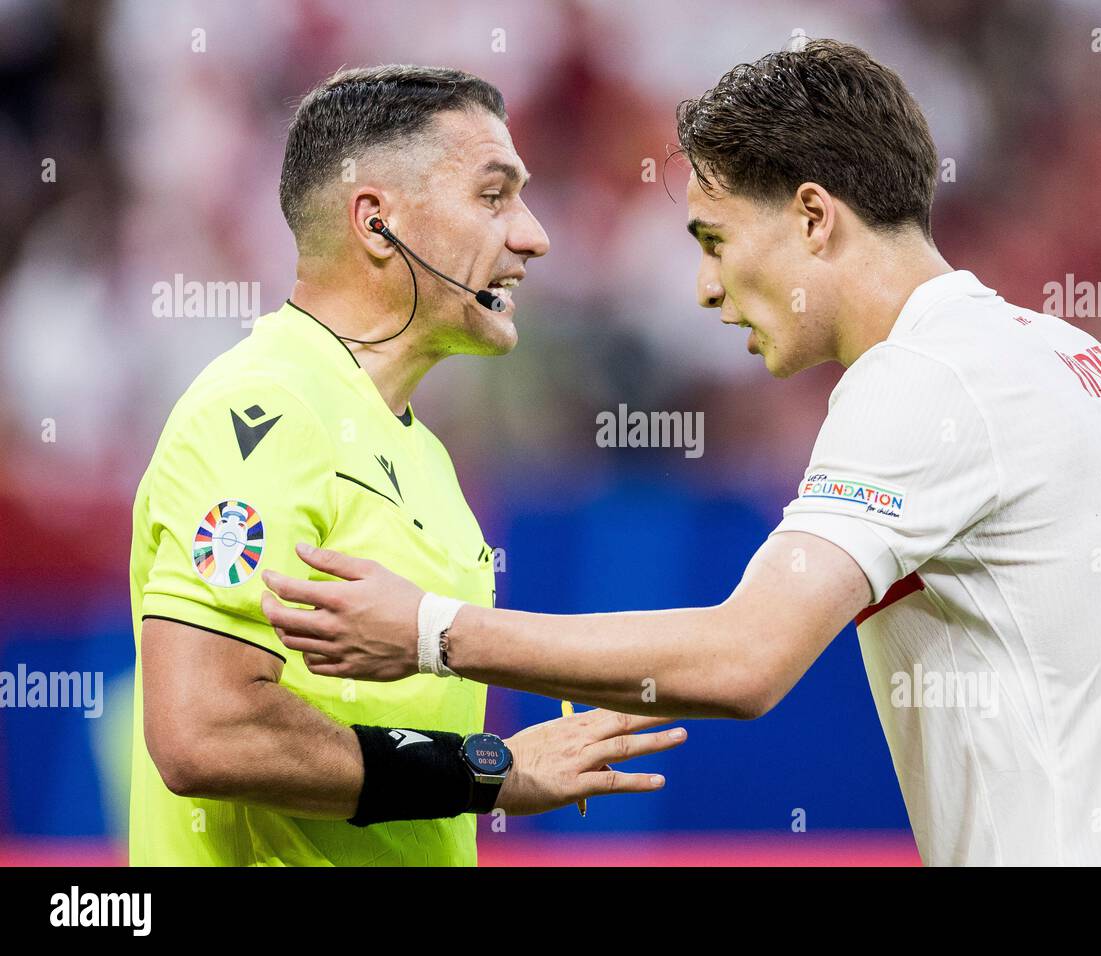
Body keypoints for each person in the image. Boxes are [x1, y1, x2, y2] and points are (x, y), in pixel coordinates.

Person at [262, 41, 1101, 866]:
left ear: (814, 217)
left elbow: (745, 658)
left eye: (714, 238)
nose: (704, 288)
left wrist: (433, 628)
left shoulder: (927, 380)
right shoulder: (1072, 353)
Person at [128, 65, 685, 867]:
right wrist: (487, 770)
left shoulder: (422, 452)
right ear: (377, 221)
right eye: (494, 196)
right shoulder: (259, 410)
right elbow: (205, 730)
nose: (534, 235)